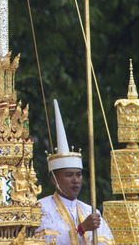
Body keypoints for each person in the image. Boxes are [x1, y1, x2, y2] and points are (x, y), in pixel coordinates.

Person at [36, 99, 114, 245]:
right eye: (69, 175)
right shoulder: (41, 208)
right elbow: (45, 242)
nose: (75, 180)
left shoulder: (90, 211)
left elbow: (107, 241)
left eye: (78, 174)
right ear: (54, 179)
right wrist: (81, 229)